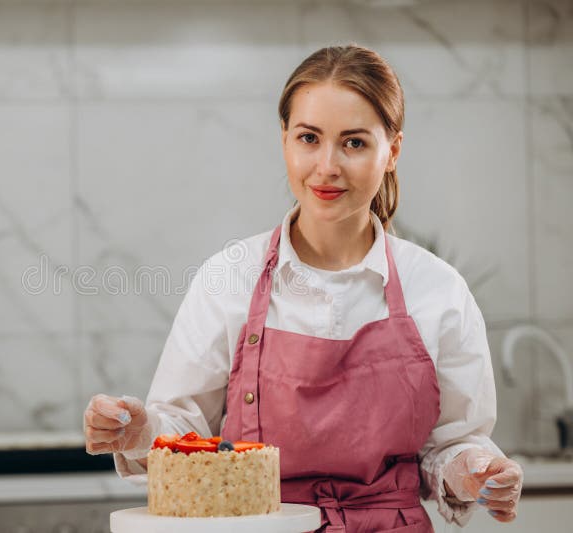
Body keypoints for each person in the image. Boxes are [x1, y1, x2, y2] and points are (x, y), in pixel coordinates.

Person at [83, 44, 524, 532]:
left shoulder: (438, 290)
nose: (327, 166)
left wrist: (475, 472)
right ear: (285, 140)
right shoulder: (229, 276)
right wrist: (141, 432)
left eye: (354, 143)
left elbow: (454, 444)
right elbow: (186, 432)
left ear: (393, 150)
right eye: (309, 138)